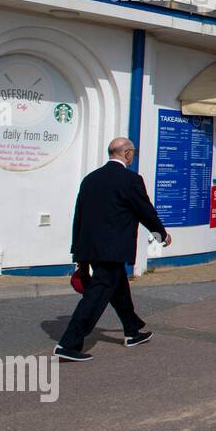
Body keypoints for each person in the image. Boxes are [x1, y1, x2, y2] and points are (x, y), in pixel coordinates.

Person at [56, 138, 170, 361]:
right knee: (95, 297)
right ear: (126, 154)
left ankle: (132, 331)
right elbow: (144, 211)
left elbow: (79, 216)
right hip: (112, 250)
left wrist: (78, 252)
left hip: (90, 248)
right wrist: (161, 236)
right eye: (133, 153)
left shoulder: (90, 179)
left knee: (119, 290)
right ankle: (68, 344)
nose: (133, 157)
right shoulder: (130, 180)